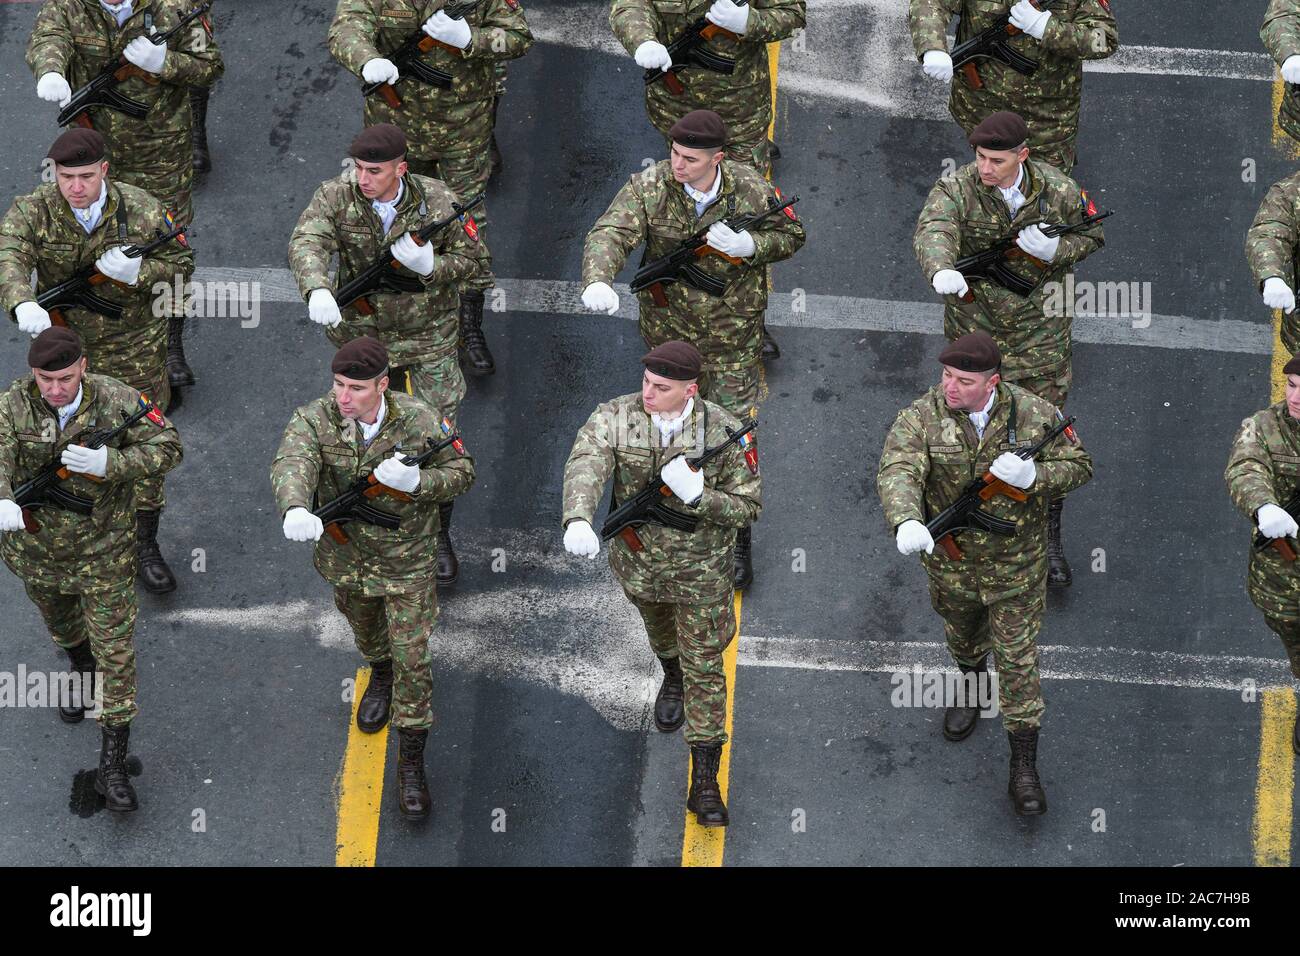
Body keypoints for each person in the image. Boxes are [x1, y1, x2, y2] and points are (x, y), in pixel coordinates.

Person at [581, 109, 802, 589]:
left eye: (690, 158)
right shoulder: (651, 185)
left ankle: (738, 531)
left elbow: (792, 234)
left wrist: (751, 245)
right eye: (675, 154)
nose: (677, 165)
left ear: (717, 159)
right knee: (671, 429)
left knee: (734, 433)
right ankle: (664, 514)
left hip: (733, 336)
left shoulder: (748, 188)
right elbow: (611, 232)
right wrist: (599, 277)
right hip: (670, 334)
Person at [878, 333, 1092, 814]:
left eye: (964, 380)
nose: (950, 387)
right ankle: (972, 687)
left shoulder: (1034, 414)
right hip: (952, 568)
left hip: (1016, 569)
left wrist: (1036, 479)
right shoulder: (921, 416)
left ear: (992, 383)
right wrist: (906, 518)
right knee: (965, 639)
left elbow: (1080, 466)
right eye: (947, 376)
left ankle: (1023, 768)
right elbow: (898, 469)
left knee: (1018, 664)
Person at [272, 337, 475, 819]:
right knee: (367, 633)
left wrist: (420, 484)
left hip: (407, 564)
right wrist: (296, 505)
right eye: (339, 385)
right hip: (345, 560)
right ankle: (378, 671)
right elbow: (291, 462)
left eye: (357, 388)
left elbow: (463, 471)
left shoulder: (421, 419)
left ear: (383, 385)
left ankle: (410, 763)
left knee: (414, 659)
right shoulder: (314, 418)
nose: (344, 397)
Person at [562, 341, 760, 827]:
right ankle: (670, 674)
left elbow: (748, 507)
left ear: (690, 390)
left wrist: (702, 497)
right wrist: (578, 517)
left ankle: (705, 781)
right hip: (639, 566)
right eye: (647, 382)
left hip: (701, 574)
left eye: (661, 387)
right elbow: (586, 462)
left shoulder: (726, 431)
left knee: (706, 670)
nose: (648, 392)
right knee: (660, 636)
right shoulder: (616, 415)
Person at [0, 128, 194, 593]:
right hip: (64, 351)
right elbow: (10, 255)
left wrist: (141, 271)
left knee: (141, 440)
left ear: (105, 170)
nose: (76, 187)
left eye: (86, 176)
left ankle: (145, 543)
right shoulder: (34, 210)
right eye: (67, 177)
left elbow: (183, 264)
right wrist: (22, 300)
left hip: (133, 348)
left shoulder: (141, 209)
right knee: (61, 441)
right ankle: (75, 539)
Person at [914, 110, 1103, 587]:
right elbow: (934, 228)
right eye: (979, 157)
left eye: (996, 160)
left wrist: (1054, 253)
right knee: (967, 439)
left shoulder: (1058, 190)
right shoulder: (958, 188)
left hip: (1041, 343)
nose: (985, 168)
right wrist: (941, 269)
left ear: (1023, 155)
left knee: (1042, 442)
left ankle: (1049, 534)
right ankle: (962, 530)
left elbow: (1092, 231)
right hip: (975, 344)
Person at [289, 123, 485, 586]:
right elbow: (308, 241)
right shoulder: (336, 196)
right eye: (358, 168)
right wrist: (317, 286)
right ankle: (371, 516)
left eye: (374, 171)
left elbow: (474, 260)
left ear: (402, 168)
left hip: (429, 333)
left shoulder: (437, 200)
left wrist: (434, 267)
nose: (362, 179)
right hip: (363, 335)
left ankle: (438, 535)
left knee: (437, 434)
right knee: (372, 432)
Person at [0, 328, 182, 812]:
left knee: (117, 656)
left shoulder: (120, 400)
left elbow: (169, 447)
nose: (55, 389)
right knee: (62, 628)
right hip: (36, 554)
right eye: (44, 379)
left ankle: (113, 766)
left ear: (83, 365)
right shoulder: (13, 405)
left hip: (104, 555)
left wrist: (112, 463)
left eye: (64, 378)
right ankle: (81, 670)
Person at [28, 0, 225, 394]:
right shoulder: (69, 6)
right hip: (93, 155)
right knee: (94, 254)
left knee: (167, 250)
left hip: (161, 155)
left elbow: (209, 65)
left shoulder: (175, 7)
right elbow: (48, 37)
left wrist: (164, 61)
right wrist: (51, 69)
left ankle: (170, 347)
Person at [328, 0, 533, 376]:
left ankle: (470, 326)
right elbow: (346, 29)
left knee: (468, 225)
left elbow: (519, 38)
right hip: (395, 132)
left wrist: (472, 39)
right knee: (396, 225)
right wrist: (367, 60)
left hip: (464, 127)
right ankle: (406, 323)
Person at [910, 0, 1117, 173]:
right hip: (981, 111)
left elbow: (1103, 39)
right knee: (988, 186)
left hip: (1045, 123)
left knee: (1046, 199)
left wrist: (1046, 27)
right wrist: (932, 46)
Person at [1225, 355, 1300, 755]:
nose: (1296, 397)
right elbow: (1245, 468)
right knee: (1293, 636)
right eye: (1291, 385)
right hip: (1284, 575)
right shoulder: (1264, 426)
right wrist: (1262, 506)